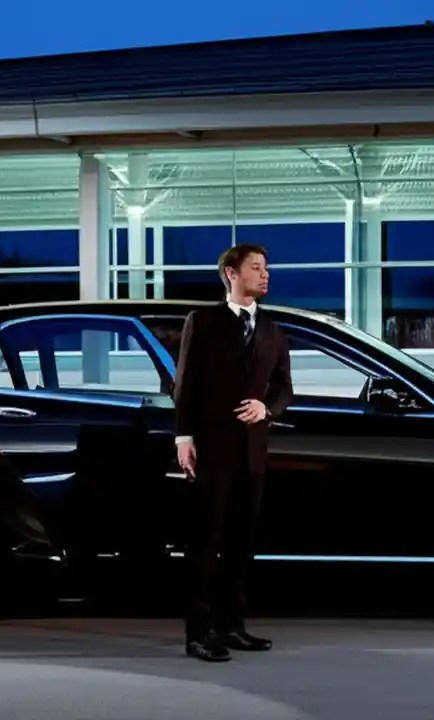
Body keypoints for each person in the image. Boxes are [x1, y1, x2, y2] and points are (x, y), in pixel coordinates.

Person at [173, 243, 293, 662]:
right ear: (231, 273)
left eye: (266, 268)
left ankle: (232, 626)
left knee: (241, 543)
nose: (265, 274)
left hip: (252, 451)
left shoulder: (273, 329)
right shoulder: (203, 322)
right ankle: (198, 633)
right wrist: (183, 437)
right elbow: (185, 383)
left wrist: (267, 408)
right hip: (212, 447)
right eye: (256, 267)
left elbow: (284, 387)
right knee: (205, 542)